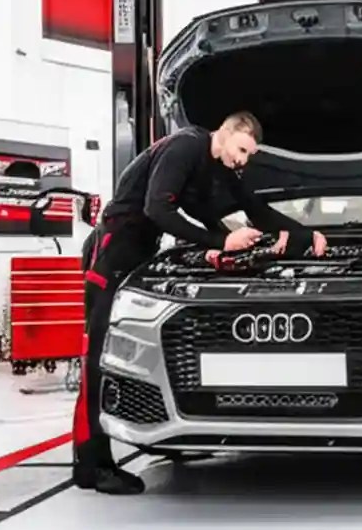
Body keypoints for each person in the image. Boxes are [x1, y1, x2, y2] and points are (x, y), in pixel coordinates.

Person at [73, 111, 327, 494]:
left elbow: (254, 210)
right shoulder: (186, 147)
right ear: (224, 133)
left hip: (138, 253)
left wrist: (307, 235)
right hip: (112, 253)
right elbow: (157, 208)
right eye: (241, 149)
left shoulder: (214, 166)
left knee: (104, 355)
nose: (243, 160)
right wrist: (221, 242)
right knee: (97, 357)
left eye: (249, 155)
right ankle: (92, 466)